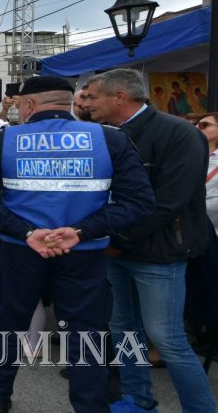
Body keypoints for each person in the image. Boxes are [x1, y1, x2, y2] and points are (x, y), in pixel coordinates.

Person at [0, 75, 156, 413]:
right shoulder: (110, 140)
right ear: (69, 102)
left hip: (21, 253)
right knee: (86, 336)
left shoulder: (3, 142)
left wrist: (28, 232)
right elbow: (138, 203)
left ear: (27, 105)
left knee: (10, 324)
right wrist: (80, 231)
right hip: (83, 256)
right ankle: (90, 407)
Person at [80, 68, 216, 413]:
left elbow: (169, 203)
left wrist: (117, 239)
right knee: (124, 331)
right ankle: (138, 402)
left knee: (167, 339)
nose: (85, 102)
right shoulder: (106, 134)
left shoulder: (180, 134)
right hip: (117, 249)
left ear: (119, 97)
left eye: (92, 96)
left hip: (160, 254)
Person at [201, 112, 218, 230]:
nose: (197, 127)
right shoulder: (187, 155)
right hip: (195, 226)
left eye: (204, 125)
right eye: (197, 124)